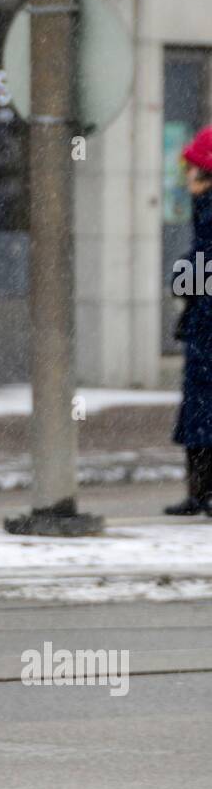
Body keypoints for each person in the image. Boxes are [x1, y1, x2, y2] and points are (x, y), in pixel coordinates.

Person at [166, 125, 212, 516]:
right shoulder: (204, 210)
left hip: (208, 328)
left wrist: (183, 277)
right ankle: (199, 494)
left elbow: (200, 265)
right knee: (198, 415)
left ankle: (204, 495)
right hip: (203, 329)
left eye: (191, 170)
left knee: (204, 414)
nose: (186, 178)